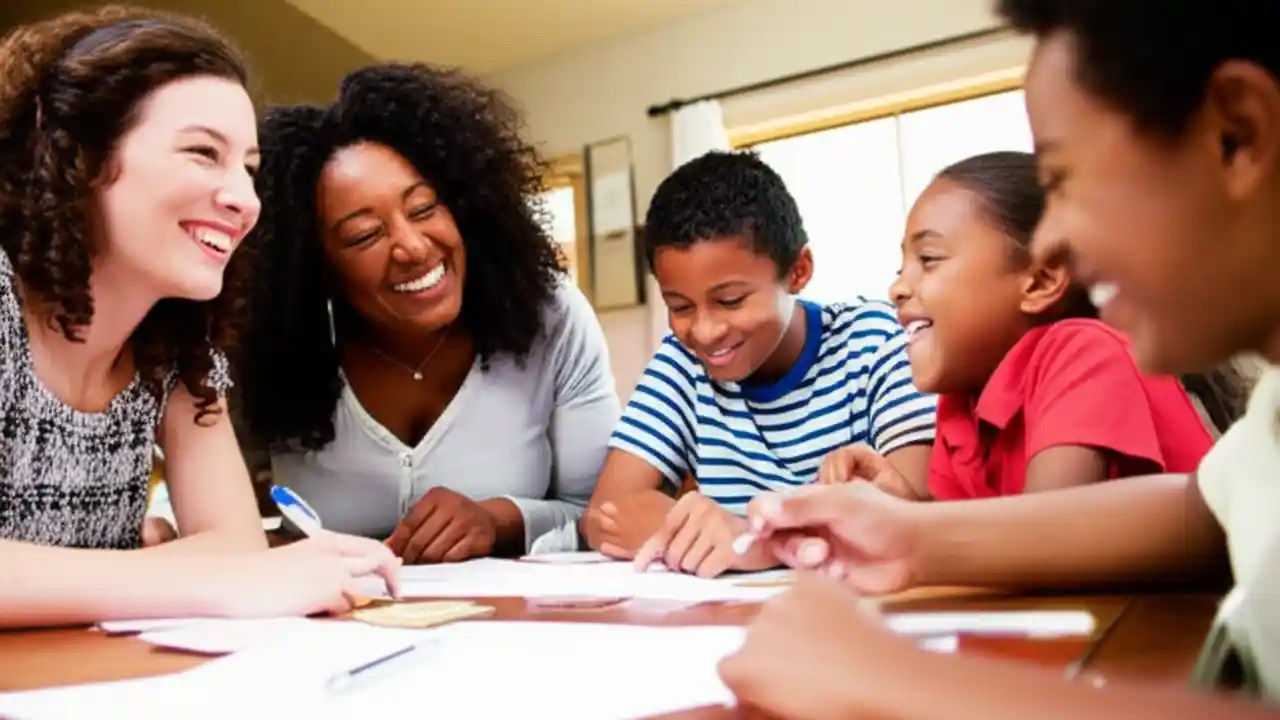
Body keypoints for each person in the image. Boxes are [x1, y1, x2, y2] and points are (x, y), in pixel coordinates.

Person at [717, 1, 1280, 717]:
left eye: (1067, 181)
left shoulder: (1075, 350)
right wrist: (911, 535)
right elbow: (1206, 509)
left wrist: (900, 683)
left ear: (1237, 136)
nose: (1051, 247)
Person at [0, 6, 398, 629]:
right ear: (78, 157)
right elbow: (228, 571)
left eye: (249, 169)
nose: (244, 200)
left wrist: (211, 573)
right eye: (201, 153)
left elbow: (234, 547)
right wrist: (196, 575)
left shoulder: (178, 353)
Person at [237, 63, 619, 563]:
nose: (413, 248)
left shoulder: (552, 317)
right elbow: (220, 526)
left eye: (423, 209)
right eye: (364, 236)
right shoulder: (268, 342)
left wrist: (497, 520)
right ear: (312, 264)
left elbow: (602, 516)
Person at [584, 151, 936, 578]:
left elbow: (917, 510)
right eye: (679, 306)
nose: (706, 331)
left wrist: (757, 540)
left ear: (798, 271)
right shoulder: (682, 364)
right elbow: (604, 513)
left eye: (730, 301)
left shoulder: (874, 341)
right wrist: (703, 533)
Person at [818, 151, 1216, 501]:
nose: (897, 288)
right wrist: (900, 504)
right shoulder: (961, 404)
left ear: (1040, 281)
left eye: (929, 258)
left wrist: (902, 530)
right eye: (901, 266)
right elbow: (978, 537)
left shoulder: (1085, 352)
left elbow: (1051, 535)